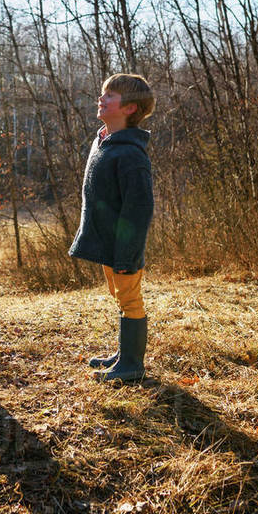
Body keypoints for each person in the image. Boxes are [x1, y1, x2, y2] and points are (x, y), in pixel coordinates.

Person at [68, 73, 155, 383]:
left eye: (110, 96)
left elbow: (140, 209)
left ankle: (132, 365)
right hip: (107, 242)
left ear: (129, 108)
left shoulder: (131, 153)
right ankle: (123, 353)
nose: (101, 99)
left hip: (124, 246)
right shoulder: (104, 138)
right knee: (119, 296)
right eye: (103, 94)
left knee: (130, 299)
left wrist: (127, 252)